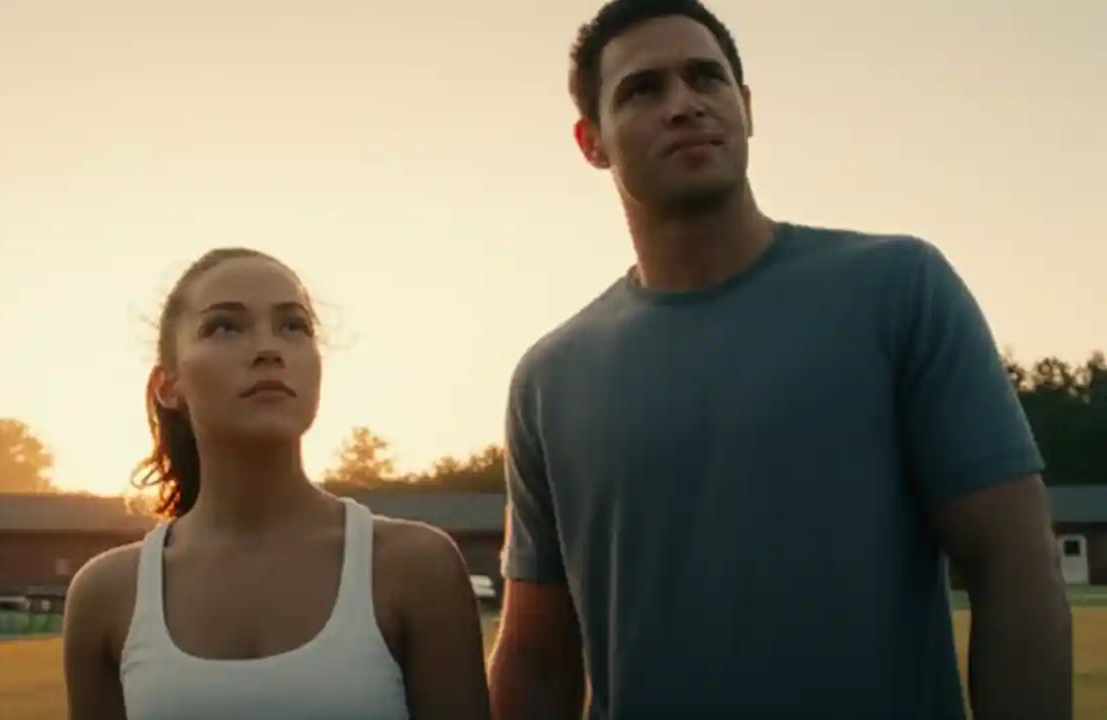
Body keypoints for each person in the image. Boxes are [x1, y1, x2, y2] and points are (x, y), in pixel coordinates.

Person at [487, 1, 1072, 718]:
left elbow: (1014, 563)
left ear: (747, 107)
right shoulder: (549, 379)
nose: (685, 104)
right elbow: (537, 657)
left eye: (708, 78)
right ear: (591, 142)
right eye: (643, 89)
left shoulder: (898, 288)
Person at [63, 248, 490, 720]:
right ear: (169, 386)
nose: (269, 349)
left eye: (294, 326)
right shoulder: (105, 595)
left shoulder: (415, 568)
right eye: (223, 326)